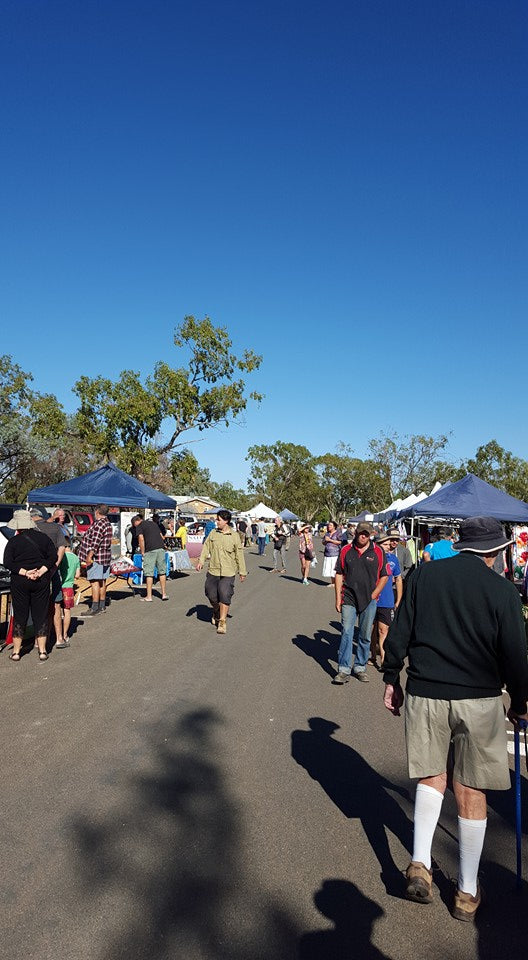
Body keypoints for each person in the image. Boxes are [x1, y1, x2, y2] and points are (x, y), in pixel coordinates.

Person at [383, 516, 528, 921]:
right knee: (472, 791)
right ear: (495, 552)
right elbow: (515, 653)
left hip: (427, 690)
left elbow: (401, 630)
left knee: (432, 779)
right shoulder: (502, 590)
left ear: (461, 544)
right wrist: (520, 701)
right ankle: (465, 891)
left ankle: (420, 865)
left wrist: (391, 676)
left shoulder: (424, 575)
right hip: (479, 699)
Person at [333, 522, 389, 683]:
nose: (363, 536)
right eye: (360, 533)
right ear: (355, 533)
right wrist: (338, 598)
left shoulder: (378, 551)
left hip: (369, 599)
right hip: (349, 597)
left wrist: (375, 593)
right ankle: (343, 669)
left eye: (366, 533)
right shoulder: (346, 550)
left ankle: (359, 667)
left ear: (371, 534)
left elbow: (384, 575)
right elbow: (338, 574)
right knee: (346, 632)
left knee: (365, 635)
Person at [3, 510, 58, 661]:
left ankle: (16, 652)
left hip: (20, 581)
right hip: (41, 581)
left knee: (20, 616)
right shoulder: (43, 538)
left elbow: (8, 562)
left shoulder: (13, 542)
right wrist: (40, 571)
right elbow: (53, 556)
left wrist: (25, 572)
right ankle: (42, 651)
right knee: (40, 616)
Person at [196, 509, 247, 634]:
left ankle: (222, 621)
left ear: (226, 521)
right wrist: (201, 561)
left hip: (228, 572)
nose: (217, 522)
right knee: (210, 594)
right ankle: (216, 611)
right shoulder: (213, 533)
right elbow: (206, 547)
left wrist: (242, 571)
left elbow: (239, 555)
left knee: (224, 594)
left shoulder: (234, 536)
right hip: (213, 570)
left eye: (219, 520)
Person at [30, 506, 67, 640]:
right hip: (53, 571)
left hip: (34, 572)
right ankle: (59, 638)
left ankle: (37, 639)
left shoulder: (29, 529)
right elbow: (62, 547)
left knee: (38, 606)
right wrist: (55, 565)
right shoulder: (55, 528)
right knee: (56, 604)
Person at [371, 532, 402, 668]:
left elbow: (399, 579)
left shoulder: (393, 559)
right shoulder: (371, 558)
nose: (389, 546)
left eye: (389, 544)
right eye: (385, 544)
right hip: (371, 598)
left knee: (384, 631)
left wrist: (398, 599)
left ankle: (383, 659)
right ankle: (372, 655)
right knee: (371, 631)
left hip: (387, 600)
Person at [79, 504, 113, 616]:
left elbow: (95, 542)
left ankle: (94, 607)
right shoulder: (107, 523)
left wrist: (89, 556)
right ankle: (102, 605)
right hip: (105, 557)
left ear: (97, 511)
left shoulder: (99, 524)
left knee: (94, 582)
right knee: (102, 581)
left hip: (97, 558)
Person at [131, 514, 169, 602]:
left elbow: (141, 539)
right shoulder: (153, 523)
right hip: (160, 548)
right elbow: (161, 536)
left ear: (135, 522)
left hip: (150, 550)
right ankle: (164, 594)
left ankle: (149, 596)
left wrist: (142, 551)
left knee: (149, 573)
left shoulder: (139, 526)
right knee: (162, 572)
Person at [57, 536, 81, 647]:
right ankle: (65, 634)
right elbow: (77, 575)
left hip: (59, 585)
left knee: (55, 611)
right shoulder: (76, 558)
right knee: (66, 611)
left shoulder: (60, 557)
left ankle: (57, 634)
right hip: (69, 587)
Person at [321, 521, 342, 588]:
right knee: (329, 568)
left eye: (330, 525)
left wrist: (330, 540)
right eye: (328, 525)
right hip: (327, 553)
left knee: (334, 568)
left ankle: (337, 583)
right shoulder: (327, 533)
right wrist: (325, 541)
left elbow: (340, 542)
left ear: (334, 526)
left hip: (335, 553)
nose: (328, 526)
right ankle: (333, 582)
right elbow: (323, 542)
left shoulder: (338, 533)